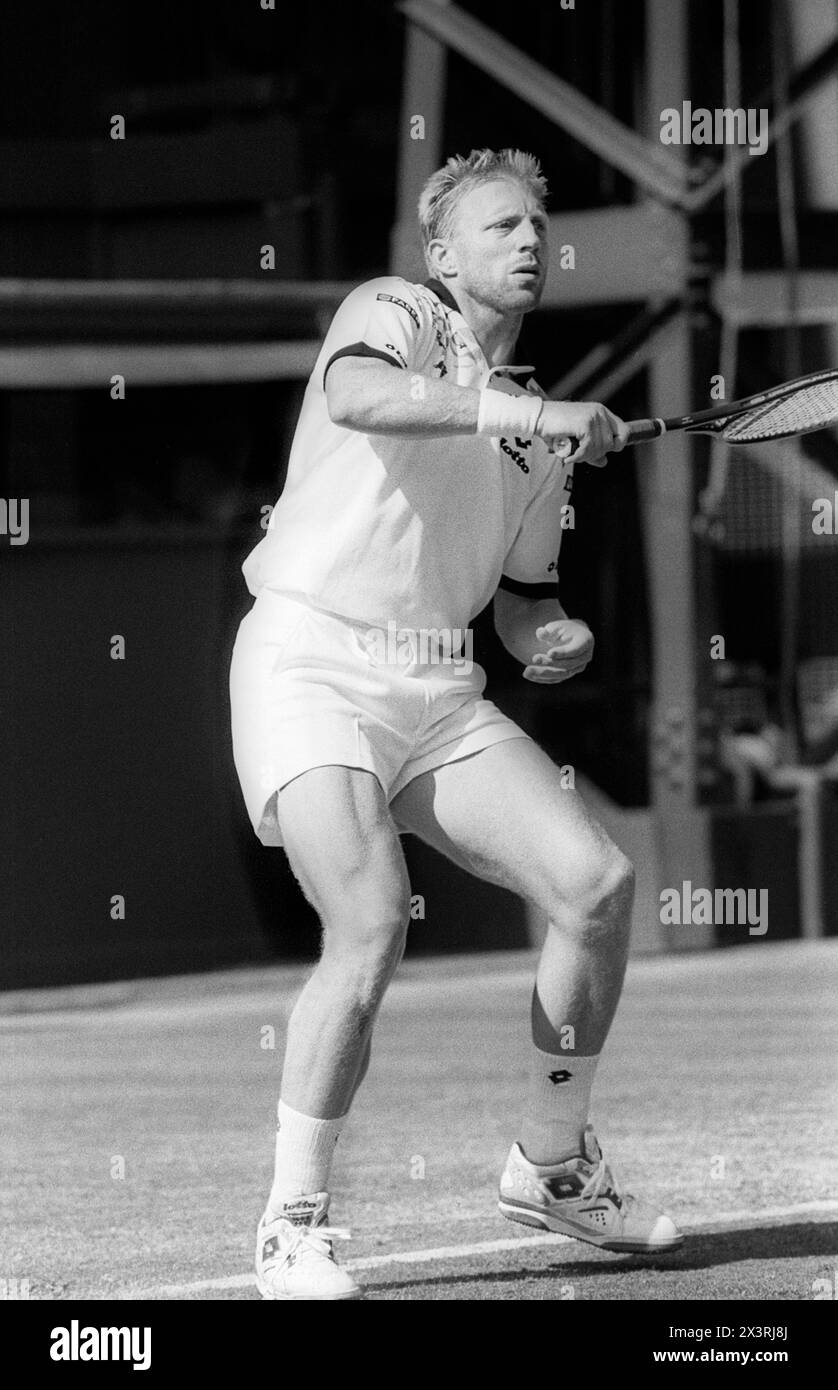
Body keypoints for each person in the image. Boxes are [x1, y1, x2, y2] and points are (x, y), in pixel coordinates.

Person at [230, 148, 682, 1301]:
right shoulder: (392, 312)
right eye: (499, 227)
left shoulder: (536, 431)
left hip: (435, 688)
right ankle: (293, 1221)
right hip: (311, 658)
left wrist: (549, 637)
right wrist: (531, 408)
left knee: (596, 882)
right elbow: (358, 396)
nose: (527, 241)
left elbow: (526, 595)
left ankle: (551, 1164)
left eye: (537, 225)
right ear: (442, 254)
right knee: (372, 920)